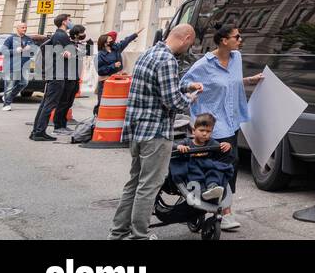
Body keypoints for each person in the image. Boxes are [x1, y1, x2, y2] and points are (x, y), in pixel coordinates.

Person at [109, 24, 203, 240]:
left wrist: (187, 87)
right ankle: (139, 235)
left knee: (134, 183)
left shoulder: (149, 53)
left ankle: (118, 232)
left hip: (138, 130)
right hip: (156, 132)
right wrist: (190, 99)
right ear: (186, 38)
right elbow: (172, 101)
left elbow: (159, 87)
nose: (189, 48)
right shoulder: (168, 59)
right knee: (149, 186)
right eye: (190, 43)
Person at [183, 22, 264, 232]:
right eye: (237, 37)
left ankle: (221, 209)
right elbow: (184, 85)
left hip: (231, 120)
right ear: (223, 41)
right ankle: (223, 213)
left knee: (231, 165)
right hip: (213, 124)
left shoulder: (236, 58)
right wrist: (191, 96)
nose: (240, 40)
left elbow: (231, 81)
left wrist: (249, 80)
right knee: (221, 165)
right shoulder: (204, 64)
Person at [171, 113, 236, 206]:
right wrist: (179, 147)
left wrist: (227, 146)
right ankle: (202, 192)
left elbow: (222, 153)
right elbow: (172, 145)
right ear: (194, 131)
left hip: (207, 167)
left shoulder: (212, 142)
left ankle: (212, 187)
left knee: (216, 169)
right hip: (193, 168)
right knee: (194, 172)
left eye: (208, 131)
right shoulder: (187, 142)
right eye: (201, 130)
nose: (205, 133)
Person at [30, 14, 75, 141]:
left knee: (45, 103)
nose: (71, 22)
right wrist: (68, 53)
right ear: (64, 22)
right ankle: (39, 132)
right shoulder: (61, 35)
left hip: (55, 74)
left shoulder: (58, 35)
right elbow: (60, 52)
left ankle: (36, 131)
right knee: (49, 104)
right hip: (57, 75)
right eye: (69, 20)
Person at [94, 31, 138, 116]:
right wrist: (113, 66)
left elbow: (126, 41)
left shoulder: (116, 49)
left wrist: (135, 34)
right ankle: (97, 118)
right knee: (102, 101)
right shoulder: (100, 55)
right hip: (105, 81)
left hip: (117, 80)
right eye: (110, 39)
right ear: (105, 43)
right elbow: (100, 71)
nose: (112, 40)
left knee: (114, 101)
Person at [1, 23, 36, 110]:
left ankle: (7, 97)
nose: (25, 29)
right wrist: (15, 50)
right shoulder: (11, 39)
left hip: (24, 66)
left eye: (26, 28)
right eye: (23, 27)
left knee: (24, 83)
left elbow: (33, 50)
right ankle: (6, 105)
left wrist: (31, 49)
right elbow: (3, 51)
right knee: (9, 85)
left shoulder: (28, 39)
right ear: (17, 28)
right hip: (11, 66)